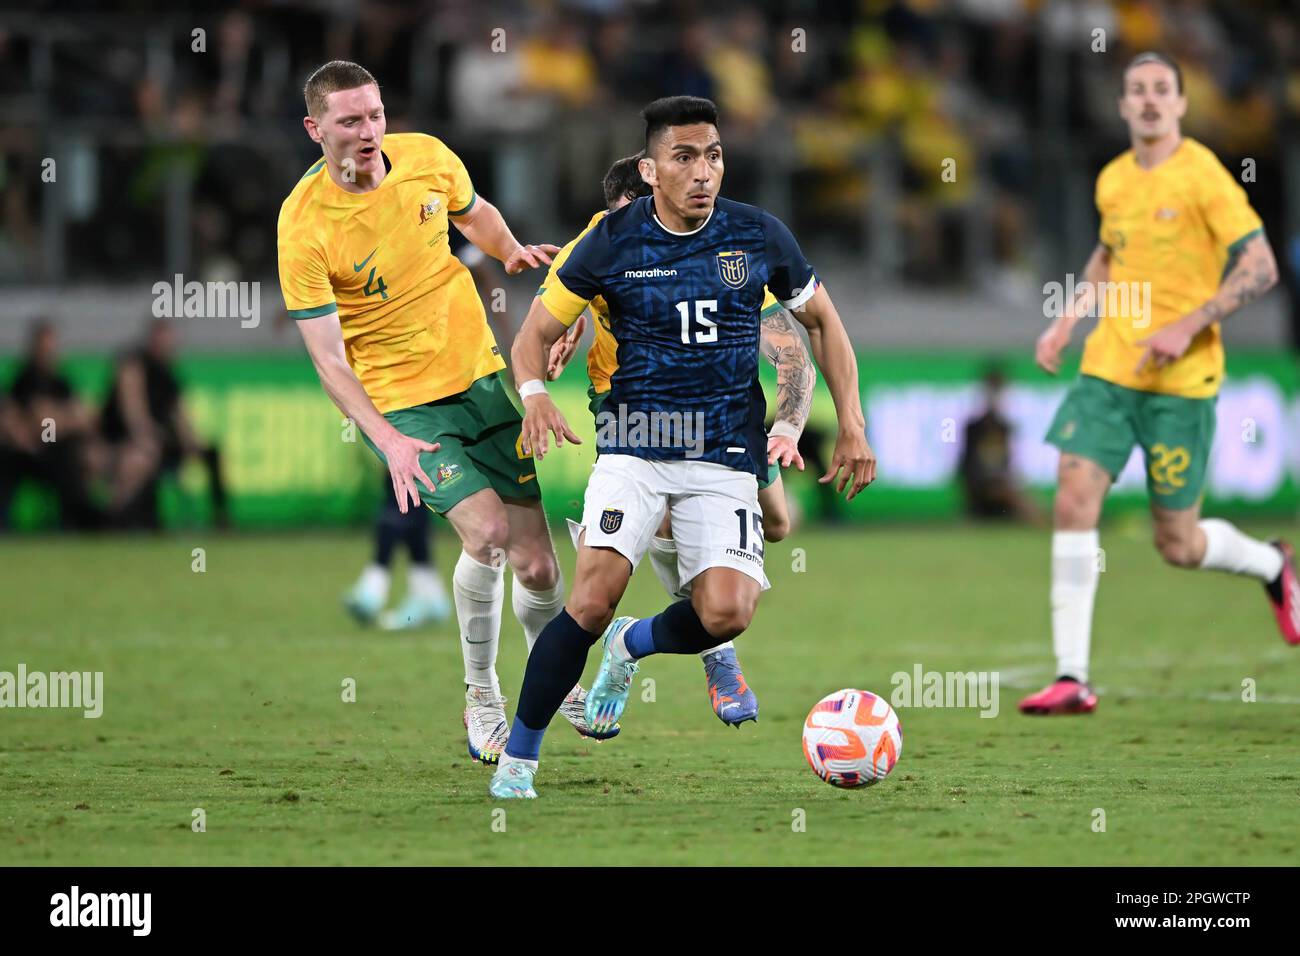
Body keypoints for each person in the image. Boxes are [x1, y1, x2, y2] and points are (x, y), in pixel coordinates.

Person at [491, 96, 876, 798]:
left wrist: (846, 421)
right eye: (685, 156)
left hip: (726, 451)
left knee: (728, 611)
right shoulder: (610, 241)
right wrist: (537, 397)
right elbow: (533, 336)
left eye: (715, 155)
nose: (704, 172)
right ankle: (520, 757)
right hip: (635, 444)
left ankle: (634, 644)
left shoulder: (756, 235)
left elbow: (818, 323)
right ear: (651, 168)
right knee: (592, 596)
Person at [277, 60, 596, 763]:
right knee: (482, 533)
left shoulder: (426, 158)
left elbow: (472, 210)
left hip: (480, 378)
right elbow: (330, 360)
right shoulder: (304, 228)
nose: (369, 132)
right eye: (350, 121)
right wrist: (387, 439)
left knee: (541, 569)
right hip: (404, 404)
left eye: (376, 114)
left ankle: (553, 676)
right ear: (315, 129)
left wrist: (509, 250)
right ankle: (482, 696)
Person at [1023, 52, 1298, 716]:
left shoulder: (1202, 174)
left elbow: (1259, 266)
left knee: (1178, 543)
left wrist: (1189, 325)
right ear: (1122, 106)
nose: (1148, 100)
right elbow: (1108, 254)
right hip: (1110, 371)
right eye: (1137, 90)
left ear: (1180, 104)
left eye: (1161, 91)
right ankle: (1072, 676)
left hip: (1182, 381)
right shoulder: (1115, 177)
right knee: (1072, 496)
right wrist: (1066, 323)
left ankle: (1272, 565)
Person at [542, 152, 817, 726]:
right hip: (634, 416)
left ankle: (638, 636)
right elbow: (553, 309)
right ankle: (719, 655)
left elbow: (786, 340)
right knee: (669, 517)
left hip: (722, 413)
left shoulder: (712, 244)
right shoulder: (595, 244)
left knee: (780, 524)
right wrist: (566, 330)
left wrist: (790, 416)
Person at [100, 319, 229, 530]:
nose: (167, 344)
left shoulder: (168, 374)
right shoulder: (134, 363)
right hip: (126, 439)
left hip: (161, 440)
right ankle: (122, 520)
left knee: (211, 451)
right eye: (163, 338)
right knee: (142, 458)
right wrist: (144, 436)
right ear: (152, 338)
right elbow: (134, 409)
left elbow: (178, 414)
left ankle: (221, 517)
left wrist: (190, 440)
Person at [0, 320, 103, 530]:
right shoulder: (25, 379)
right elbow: (31, 419)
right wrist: (57, 420)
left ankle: (77, 520)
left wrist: (58, 419)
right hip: (26, 452)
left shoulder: (61, 382)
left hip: (55, 449)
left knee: (74, 455)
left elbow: (83, 417)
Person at [957, 365, 1041, 523]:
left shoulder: (1005, 428)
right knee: (1015, 496)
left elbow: (1008, 466)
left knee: (1023, 495)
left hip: (1003, 491)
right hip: (982, 492)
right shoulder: (974, 427)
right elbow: (967, 468)